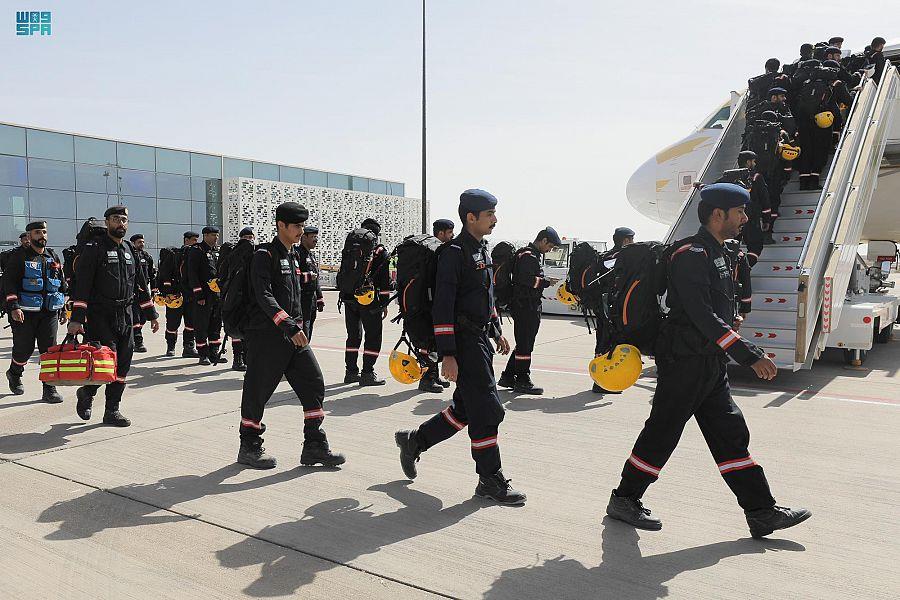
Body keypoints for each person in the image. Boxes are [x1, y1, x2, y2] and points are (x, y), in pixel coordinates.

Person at [605, 183, 811, 538]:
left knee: (730, 433)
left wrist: (732, 324)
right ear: (718, 214)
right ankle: (624, 499)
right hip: (685, 361)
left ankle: (761, 511)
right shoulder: (691, 254)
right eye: (739, 212)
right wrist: (748, 354)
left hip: (708, 361)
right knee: (662, 432)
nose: (745, 218)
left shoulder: (719, 253)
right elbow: (700, 314)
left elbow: (713, 311)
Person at [394, 189, 525, 505]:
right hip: (463, 343)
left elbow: (485, 296)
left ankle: (415, 441)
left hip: (479, 340)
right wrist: (448, 354)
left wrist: (496, 331)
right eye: (489, 214)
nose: (495, 219)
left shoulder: (481, 250)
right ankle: (489, 478)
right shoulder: (453, 253)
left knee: (466, 409)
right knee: (488, 410)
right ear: (471, 217)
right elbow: (443, 306)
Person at [237, 202, 344, 469]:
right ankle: (249, 446)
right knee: (258, 391)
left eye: (302, 226)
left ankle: (314, 446)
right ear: (281, 225)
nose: (301, 230)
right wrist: (288, 325)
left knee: (314, 383)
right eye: (296, 226)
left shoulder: (294, 255)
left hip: (293, 335)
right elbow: (263, 294)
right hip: (267, 335)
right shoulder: (264, 255)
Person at [69, 206, 159, 427]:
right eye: (116, 219)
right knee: (105, 362)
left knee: (123, 364)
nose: (121, 223)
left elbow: (140, 285)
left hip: (125, 315)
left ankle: (112, 410)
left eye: (124, 220)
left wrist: (152, 314)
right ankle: (87, 392)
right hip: (100, 315)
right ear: (107, 222)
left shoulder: (129, 250)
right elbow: (83, 285)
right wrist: (77, 319)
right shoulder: (94, 248)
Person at [2, 221, 66, 402]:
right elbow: (8, 283)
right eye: (38, 232)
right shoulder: (19, 256)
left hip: (49, 313)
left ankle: (49, 389)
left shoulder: (52, 256)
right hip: (24, 313)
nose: (42, 235)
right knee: (24, 350)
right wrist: (14, 306)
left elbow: (60, 284)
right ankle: (14, 373)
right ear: (29, 236)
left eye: (44, 232)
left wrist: (62, 309)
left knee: (49, 351)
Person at [497, 227, 562, 395]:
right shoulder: (529, 256)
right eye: (550, 246)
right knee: (526, 344)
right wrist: (545, 282)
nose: (550, 250)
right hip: (526, 306)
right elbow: (525, 279)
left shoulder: (527, 254)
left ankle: (508, 376)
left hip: (525, 305)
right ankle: (523, 380)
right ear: (544, 240)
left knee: (523, 342)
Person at [341, 218, 393, 386]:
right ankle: (367, 373)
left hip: (349, 297)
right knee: (373, 336)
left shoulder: (350, 248)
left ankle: (350, 372)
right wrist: (384, 304)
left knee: (353, 336)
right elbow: (384, 282)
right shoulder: (380, 252)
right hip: (369, 300)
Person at [591, 227, 634, 394]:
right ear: (625, 240)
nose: (633, 242)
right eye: (631, 239)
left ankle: (600, 381)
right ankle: (601, 383)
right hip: (608, 305)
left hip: (602, 304)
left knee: (603, 340)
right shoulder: (617, 257)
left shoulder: (606, 256)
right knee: (606, 341)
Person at [219, 226, 255, 370]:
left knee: (248, 329)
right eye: (245, 238)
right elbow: (223, 274)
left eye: (250, 238)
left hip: (249, 298)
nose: (248, 240)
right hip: (235, 298)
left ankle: (247, 358)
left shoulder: (255, 253)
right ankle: (237, 358)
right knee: (236, 327)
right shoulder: (233, 253)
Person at [187, 226, 223, 365]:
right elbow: (192, 274)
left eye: (217, 235)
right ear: (205, 236)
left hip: (216, 295)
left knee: (216, 324)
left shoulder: (217, 251)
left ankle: (214, 352)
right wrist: (199, 294)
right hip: (203, 295)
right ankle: (203, 354)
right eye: (213, 235)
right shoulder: (197, 250)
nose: (216, 238)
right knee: (201, 325)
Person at [160, 231, 199, 358]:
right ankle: (170, 346)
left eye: (197, 240)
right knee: (172, 323)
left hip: (191, 296)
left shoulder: (196, 255)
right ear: (186, 240)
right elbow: (165, 274)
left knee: (191, 323)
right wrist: (168, 293)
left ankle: (189, 347)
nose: (196, 242)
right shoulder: (174, 254)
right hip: (175, 295)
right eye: (193, 240)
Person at [129, 234, 156, 353]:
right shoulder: (129, 256)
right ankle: (138, 342)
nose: (142, 244)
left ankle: (135, 336)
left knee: (143, 317)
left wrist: (154, 290)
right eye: (139, 242)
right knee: (135, 317)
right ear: (133, 243)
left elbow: (152, 275)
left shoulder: (147, 256)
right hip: (133, 291)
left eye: (143, 242)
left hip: (145, 291)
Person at [297, 226, 324, 341]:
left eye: (316, 237)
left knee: (309, 327)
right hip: (302, 299)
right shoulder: (297, 254)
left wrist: (319, 298)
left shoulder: (311, 256)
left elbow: (316, 279)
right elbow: (292, 277)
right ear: (304, 237)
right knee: (304, 329)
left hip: (312, 300)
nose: (316, 240)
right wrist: (307, 276)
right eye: (313, 237)